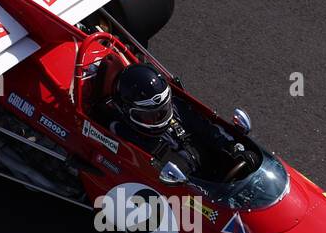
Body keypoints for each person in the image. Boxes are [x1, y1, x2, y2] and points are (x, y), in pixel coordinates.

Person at [108, 65, 252, 181]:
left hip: (216, 174)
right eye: (150, 116)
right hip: (185, 194)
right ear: (127, 112)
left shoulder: (176, 107)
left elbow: (207, 128)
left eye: (163, 109)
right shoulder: (125, 134)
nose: (160, 117)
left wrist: (234, 147)